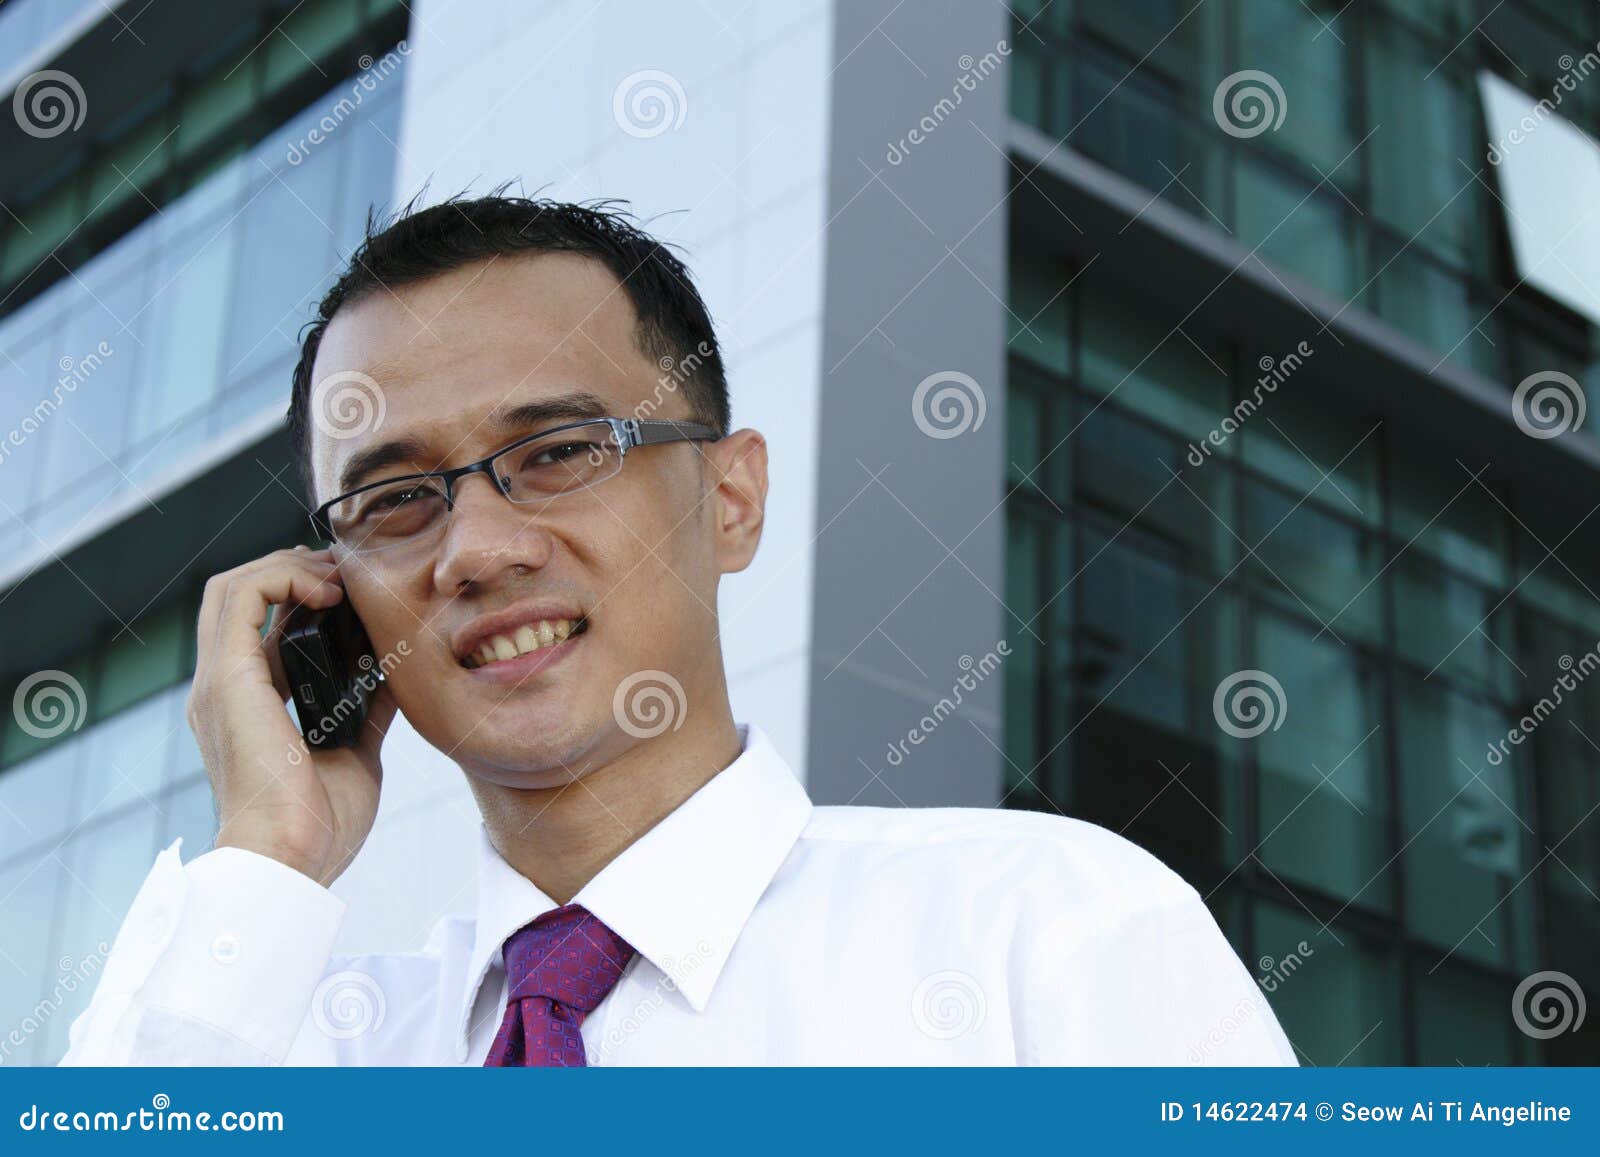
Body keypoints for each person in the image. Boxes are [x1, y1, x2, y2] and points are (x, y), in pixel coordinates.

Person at [61, 195, 1296, 1066]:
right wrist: (271, 851)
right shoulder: (294, 1046)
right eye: (393, 499)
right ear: (329, 589)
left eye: (556, 453)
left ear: (732, 497)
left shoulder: (1049, 932)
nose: (478, 549)